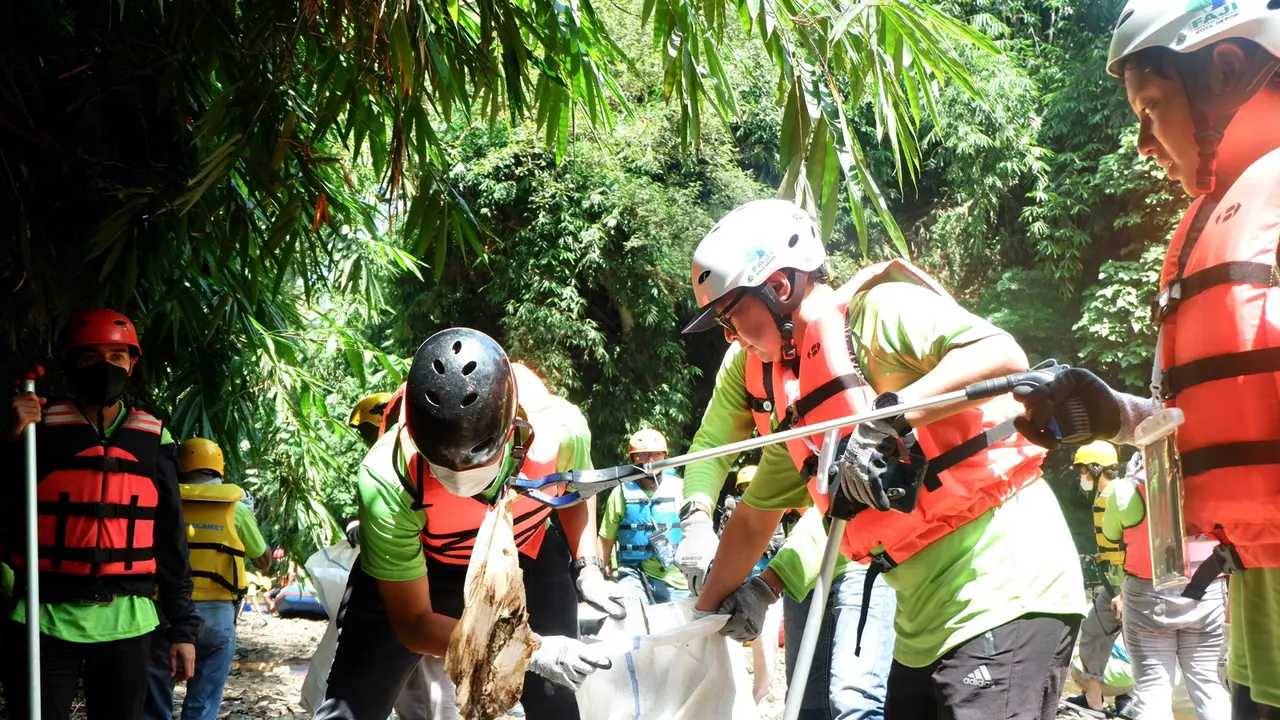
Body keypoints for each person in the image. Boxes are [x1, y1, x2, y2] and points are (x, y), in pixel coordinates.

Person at [681, 199, 1084, 719]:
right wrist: (711, 612)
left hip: (1005, 591)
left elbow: (1002, 354)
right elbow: (755, 519)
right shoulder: (800, 404)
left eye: (732, 317)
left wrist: (888, 417)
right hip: (921, 627)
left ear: (778, 287)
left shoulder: (881, 312)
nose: (730, 338)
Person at [1015, 3, 1280, 713]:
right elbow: (1231, 408)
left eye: (1152, 107)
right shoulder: (1228, 210)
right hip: (1258, 587)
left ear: (1227, 69)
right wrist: (1120, 415)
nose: (1142, 143)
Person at [315, 329, 624, 720]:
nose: (460, 475)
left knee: (557, 700)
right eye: (443, 464)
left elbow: (575, 494)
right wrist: (528, 649)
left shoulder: (561, 430)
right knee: (350, 707)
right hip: (426, 568)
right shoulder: (385, 477)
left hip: (525, 555)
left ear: (513, 429)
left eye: (477, 459)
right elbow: (414, 624)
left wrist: (589, 568)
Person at [676, 337, 897, 720]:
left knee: (853, 700)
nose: (734, 333)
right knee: (807, 707)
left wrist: (768, 585)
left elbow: (845, 502)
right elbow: (713, 445)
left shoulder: (835, 353)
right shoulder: (745, 360)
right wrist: (695, 521)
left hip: (865, 548)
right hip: (799, 562)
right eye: (726, 325)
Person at [1, 309, 199, 720]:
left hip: (129, 621)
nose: (105, 367)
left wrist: (183, 631)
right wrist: (8, 440)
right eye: (90, 356)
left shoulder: (153, 436)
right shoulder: (37, 427)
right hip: (43, 615)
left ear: (132, 363)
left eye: (116, 356)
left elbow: (170, 538)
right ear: (71, 363)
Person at [301, 394, 456, 720]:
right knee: (377, 693)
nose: (369, 441)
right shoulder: (385, 468)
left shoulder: (417, 454)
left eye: (369, 433)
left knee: (435, 688)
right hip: (398, 585)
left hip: (435, 585)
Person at [144, 438, 272, 720]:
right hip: (218, 617)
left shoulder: (163, 503)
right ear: (219, 468)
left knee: (154, 697)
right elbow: (264, 560)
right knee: (204, 703)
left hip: (167, 610)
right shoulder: (235, 510)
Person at [1103, 467, 1229, 719]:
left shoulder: (1125, 491)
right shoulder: (1216, 484)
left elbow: (1110, 533)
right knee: (1209, 684)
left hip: (1148, 596)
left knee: (1152, 688)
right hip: (1208, 590)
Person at [1066, 441, 1135, 716]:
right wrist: (1101, 557)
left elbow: (1134, 544)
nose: (1081, 476)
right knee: (1096, 633)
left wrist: (1126, 592)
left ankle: (1132, 701)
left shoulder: (1116, 497)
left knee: (1135, 640)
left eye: (1083, 470)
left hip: (1127, 583)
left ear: (1095, 470)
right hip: (1117, 580)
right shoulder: (1108, 494)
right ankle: (1097, 699)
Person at [598, 428, 690, 604]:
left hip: (676, 577)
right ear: (632, 458)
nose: (650, 461)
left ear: (665, 456)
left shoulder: (681, 489)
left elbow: (694, 533)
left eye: (656, 454)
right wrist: (598, 574)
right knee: (633, 613)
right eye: (643, 455)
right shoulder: (620, 493)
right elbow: (605, 539)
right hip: (633, 573)